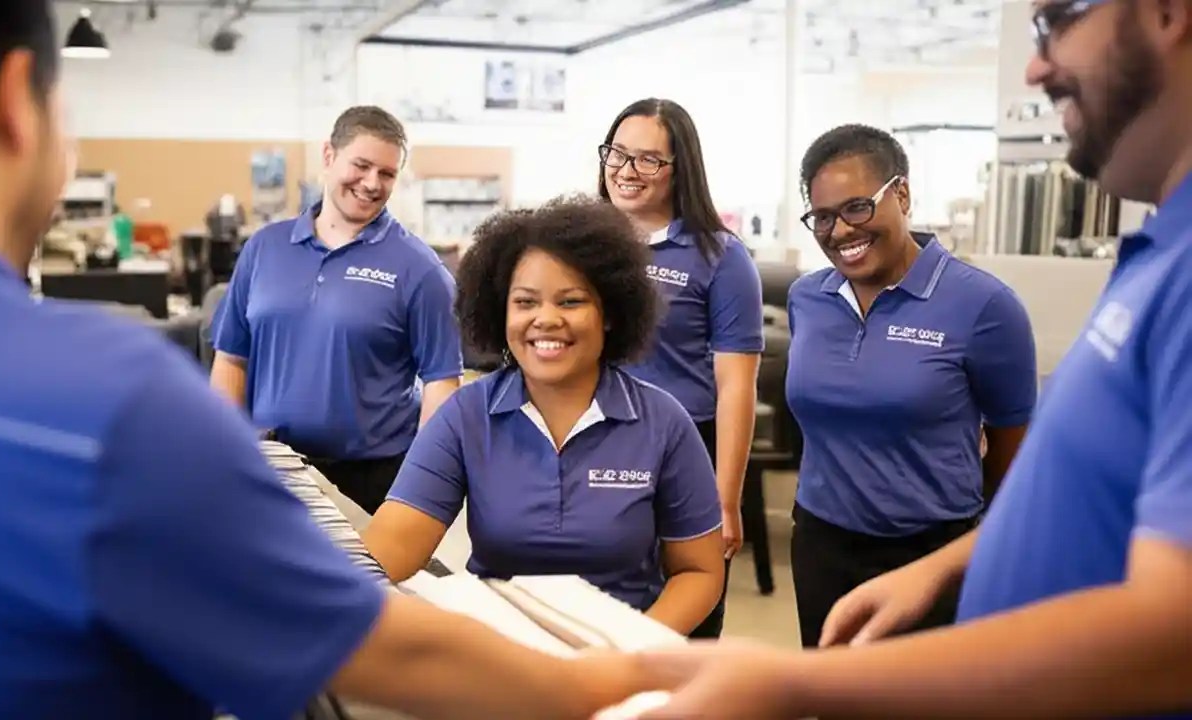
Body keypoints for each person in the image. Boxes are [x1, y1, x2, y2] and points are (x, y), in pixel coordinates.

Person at [0, 4, 660, 718]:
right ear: (17, 101)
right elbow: (375, 650)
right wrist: (635, 681)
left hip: (367, 469)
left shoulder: (413, 271)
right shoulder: (109, 403)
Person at [632, 0, 1192, 717]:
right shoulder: (1152, 256)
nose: (1033, 65)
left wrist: (794, 682)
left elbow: (1168, 624)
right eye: (822, 218)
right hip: (835, 543)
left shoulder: (985, 306)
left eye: (1058, 20)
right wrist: (942, 572)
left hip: (943, 560)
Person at [361, 195, 726, 635]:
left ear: (609, 313)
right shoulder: (466, 415)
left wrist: (633, 651)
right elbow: (393, 545)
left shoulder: (663, 422)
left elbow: (699, 573)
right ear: (501, 312)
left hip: (626, 664)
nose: (546, 319)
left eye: (571, 302)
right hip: (504, 664)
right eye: (526, 302)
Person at [783, 123, 1038, 647]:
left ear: (901, 193)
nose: (840, 231)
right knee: (834, 697)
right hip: (822, 544)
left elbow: (1013, 445)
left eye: (857, 207)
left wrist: (975, 543)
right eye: (823, 217)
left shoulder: (984, 306)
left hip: (931, 552)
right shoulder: (807, 298)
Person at [211, 105, 463, 515]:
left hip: (373, 480)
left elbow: (441, 384)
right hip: (271, 467)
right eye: (361, 165)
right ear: (328, 156)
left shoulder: (419, 268)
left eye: (387, 174)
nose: (371, 183)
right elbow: (231, 358)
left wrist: (423, 484)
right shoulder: (264, 248)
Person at [598, 98, 765, 638]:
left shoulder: (720, 256)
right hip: (589, 446)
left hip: (683, 452)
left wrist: (725, 500)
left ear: (680, 168)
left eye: (647, 159)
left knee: (680, 632)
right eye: (617, 154)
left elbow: (736, 385)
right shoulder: (581, 244)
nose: (626, 170)